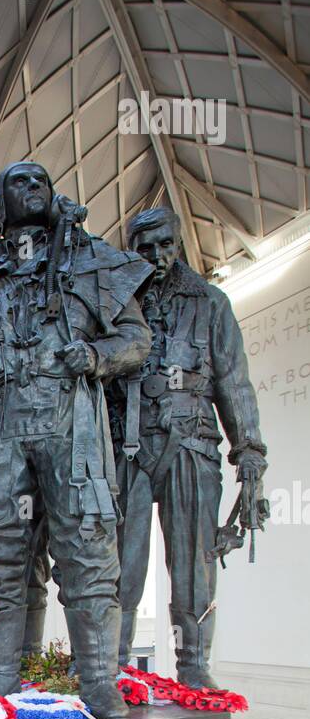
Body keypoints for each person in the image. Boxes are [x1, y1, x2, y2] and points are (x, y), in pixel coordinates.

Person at [0, 161, 152, 719]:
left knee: (87, 547)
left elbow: (137, 340)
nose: (32, 187)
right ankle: (1, 670)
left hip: (69, 417)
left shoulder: (89, 263)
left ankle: (100, 678)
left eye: (40, 181)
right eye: (18, 181)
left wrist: (99, 357)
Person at [109, 207, 268, 687]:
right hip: (128, 449)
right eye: (145, 248)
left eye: (166, 245)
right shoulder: (114, 303)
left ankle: (194, 667)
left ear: (178, 244)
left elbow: (234, 384)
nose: (157, 257)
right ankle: (108, 670)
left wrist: (250, 454)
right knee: (119, 567)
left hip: (191, 446)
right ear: (130, 250)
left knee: (195, 565)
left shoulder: (211, 302)